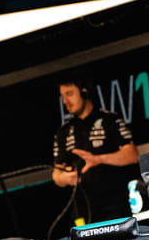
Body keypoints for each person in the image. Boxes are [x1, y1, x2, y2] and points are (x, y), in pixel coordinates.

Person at [50, 81, 139, 223]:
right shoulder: (63, 131)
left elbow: (132, 155)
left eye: (70, 94)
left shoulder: (110, 119)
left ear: (84, 93)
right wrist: (65, 178)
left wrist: (99, 159)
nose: (65, 101)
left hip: (115, 205)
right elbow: (56, 174)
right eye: (63, 96)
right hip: (82, 210)